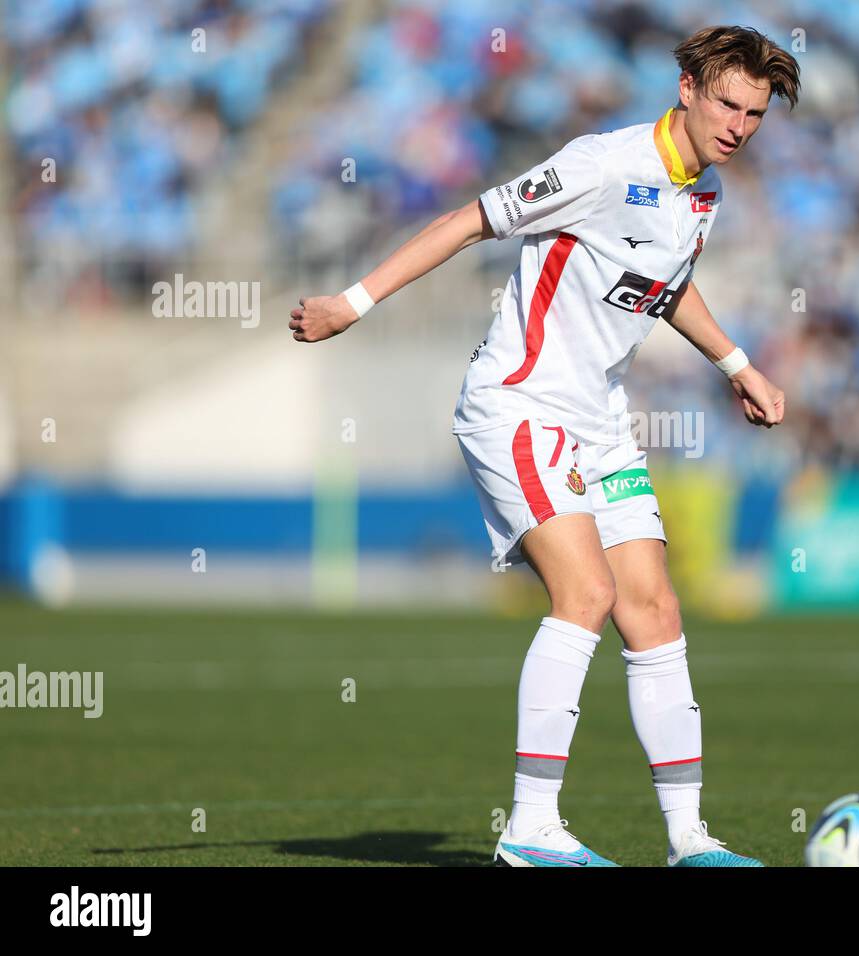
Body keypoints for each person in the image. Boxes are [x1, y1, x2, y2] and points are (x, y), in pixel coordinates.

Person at [289, 25, 800, 867]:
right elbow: (472, 219)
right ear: (686, 88)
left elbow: (664, 288)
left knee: (655, 609)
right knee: (587, 592)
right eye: (728, 103)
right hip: (520, 404)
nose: (740, 125)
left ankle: (689, 841)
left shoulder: (700, 191)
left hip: (599, 418)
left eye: (755, 113)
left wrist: (737, 364)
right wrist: (354, 302)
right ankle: (529, 828)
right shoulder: (602, 165)